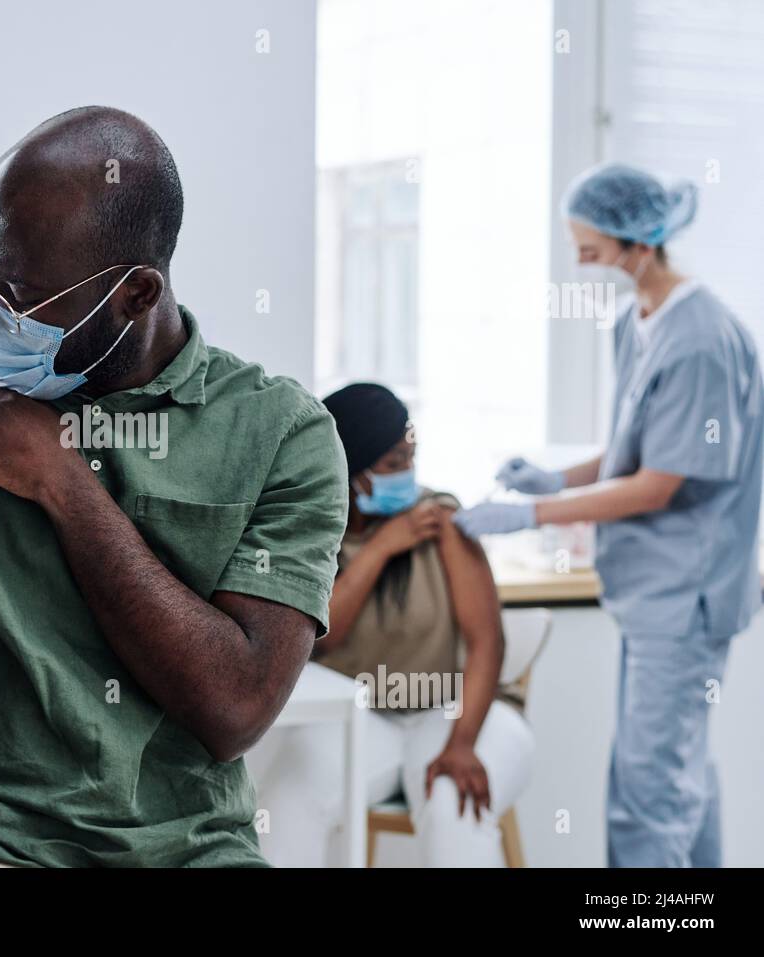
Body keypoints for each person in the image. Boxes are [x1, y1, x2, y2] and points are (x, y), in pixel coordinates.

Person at [0, 106, 348, 868]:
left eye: (18, 293)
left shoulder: (281, 434)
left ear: (137, 294)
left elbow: (235, 707)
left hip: (195, 852)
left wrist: (64, 485)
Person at [454, 163, 764, 867]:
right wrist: (556, 477)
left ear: (639, 243)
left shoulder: (701, 340)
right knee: (679, 773)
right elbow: (635, 450)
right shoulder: (636, 322)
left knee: (650, 787)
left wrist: (533, 512)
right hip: (650, 590)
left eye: (590, 249)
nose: (580, 263)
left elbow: (658, 485)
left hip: (687, 593)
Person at [247, 383, 533, 867]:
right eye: (392, 462)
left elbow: (488, 642)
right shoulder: (310, 529)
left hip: (457, 710)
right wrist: (380, 549)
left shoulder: (441, 520)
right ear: (349, 468)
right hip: (364, 718)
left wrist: (462, 745)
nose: (407, 474)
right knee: (289, 802)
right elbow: (323, 636)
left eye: (410, 458)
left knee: (453, 805)